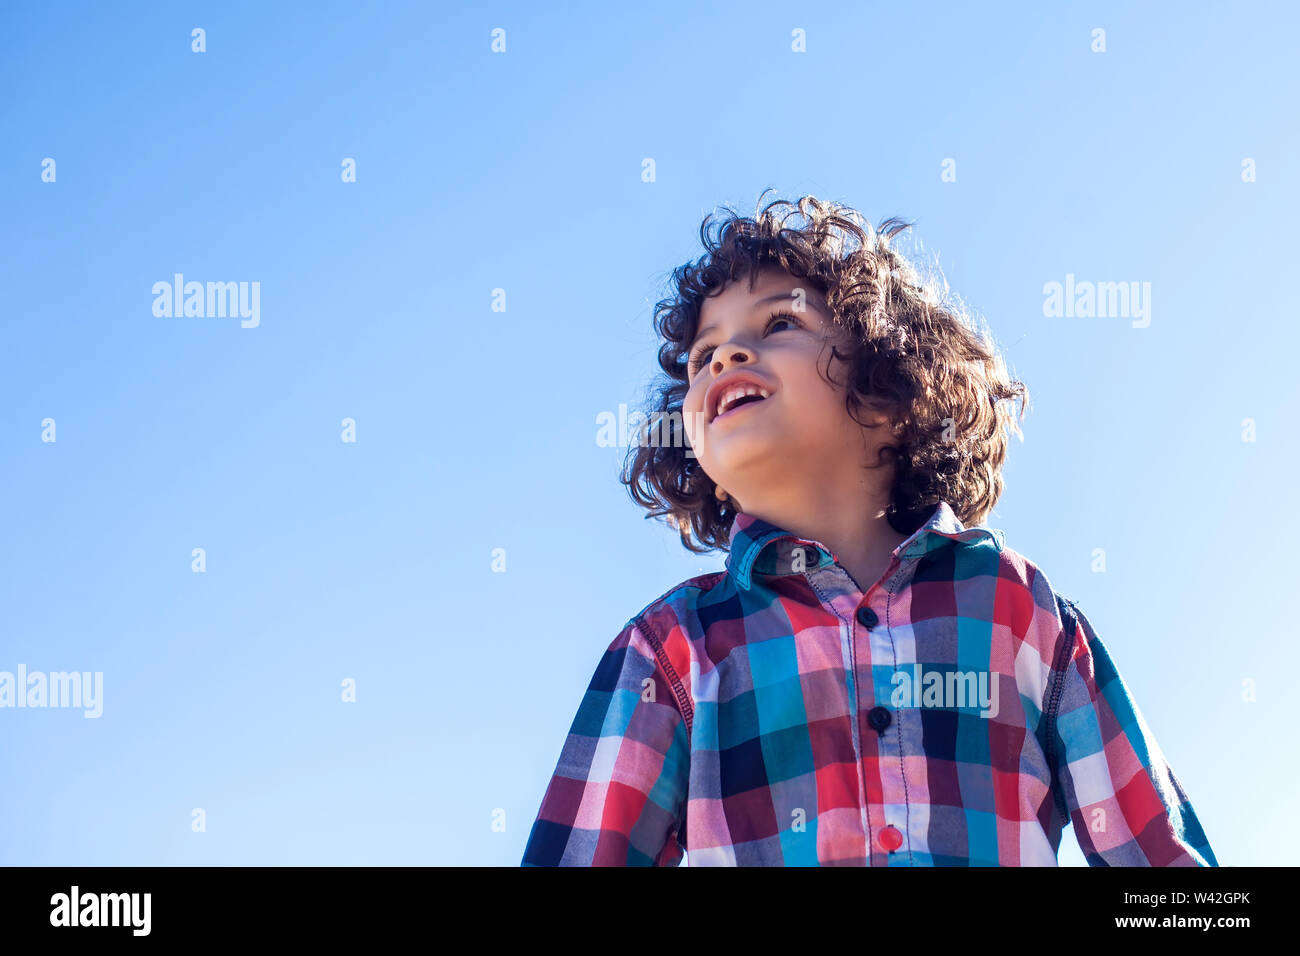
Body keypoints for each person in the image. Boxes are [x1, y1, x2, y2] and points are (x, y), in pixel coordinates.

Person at [520, 191, 1217, 867]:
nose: (727, 358)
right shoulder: (673, 650)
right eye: (706, 357)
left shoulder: (1019, 614)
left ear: (889, 393)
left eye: (777, 325)